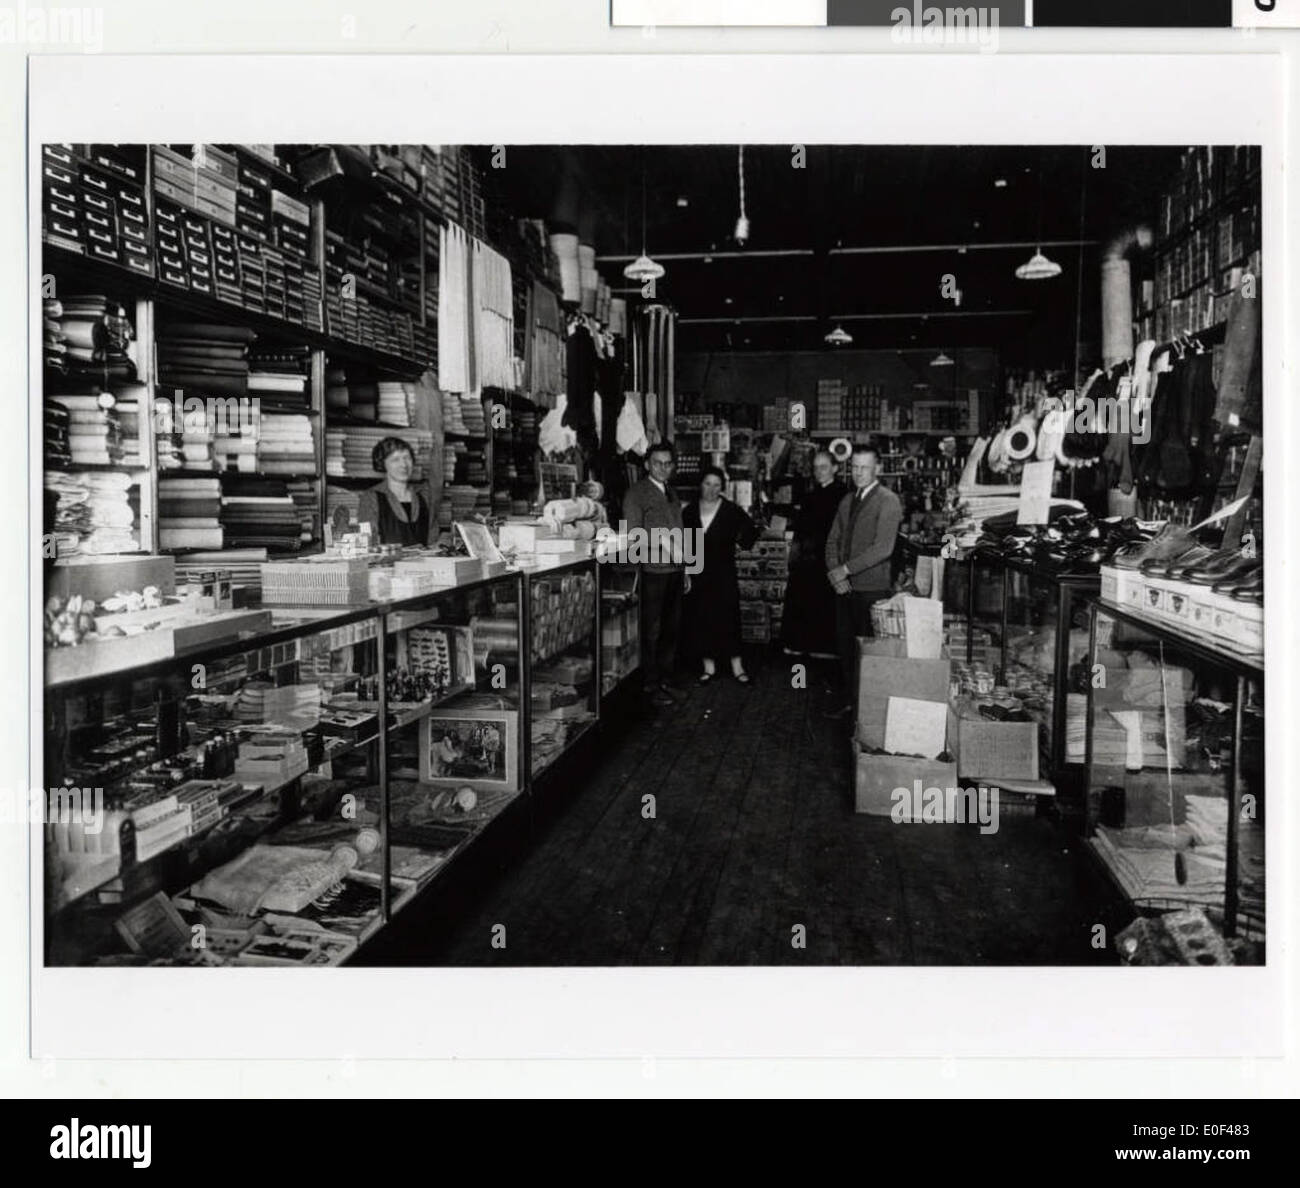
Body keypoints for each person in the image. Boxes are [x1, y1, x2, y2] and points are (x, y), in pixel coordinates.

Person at [824, 444, 903, 719]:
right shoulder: (847, 500)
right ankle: (851, 704)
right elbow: (832, 540)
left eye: (864, 467)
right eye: (854, 467)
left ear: (877, 469)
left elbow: (883, 548)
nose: (858, 473)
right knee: (846, 650)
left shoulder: (888, 500)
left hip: (872, 590)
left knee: (870, 654)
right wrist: (836, 574)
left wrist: (844, 569)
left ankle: (868, 713)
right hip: (845, 589)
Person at [622, 442, 688, 708]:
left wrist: (686, 569)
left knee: (671, 630)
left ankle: (666, 681)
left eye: (668, 463)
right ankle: (650, 686)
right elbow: (632, 536)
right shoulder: (636, 494)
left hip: (674, 570)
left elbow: (680, 531)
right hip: (652, 572)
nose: (664, 468)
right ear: (647, 464)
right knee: (651, 631)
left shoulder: (671, 492)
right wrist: (661, 541)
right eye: (658, 462)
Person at [682, 466, 760, 683]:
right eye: (707, 483)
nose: (711, 489)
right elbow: (683, 544)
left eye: (717, 485)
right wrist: (686, 572)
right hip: (698, 573)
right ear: (700, 484)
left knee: (729, 617)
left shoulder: (731, 510)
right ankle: (709, 667)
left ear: (722, 488)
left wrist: (738, 543)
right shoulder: (688, 512)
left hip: (724, 573)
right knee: (701, 617)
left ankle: (737, 666)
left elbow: (750, 533)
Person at [781, 449, 846, 659]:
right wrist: (794, 555)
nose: (819, 472)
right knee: (803, 601)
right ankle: (801, 644)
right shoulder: (810, 495)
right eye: (816, 467)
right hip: (806, 559)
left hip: (827, 557)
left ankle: (824, 648)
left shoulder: (843, 495)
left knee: (823, 603)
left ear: (835, 468)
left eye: (824, 467)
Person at [356, 436, 439, 546]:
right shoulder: (371, 498)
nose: (404, 465)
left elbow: (433, 539)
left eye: (407, 458)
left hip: (428, 562)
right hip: (387, 563)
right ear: (382, 463)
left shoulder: (423, 496)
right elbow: (367, 543)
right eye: (395, 459)